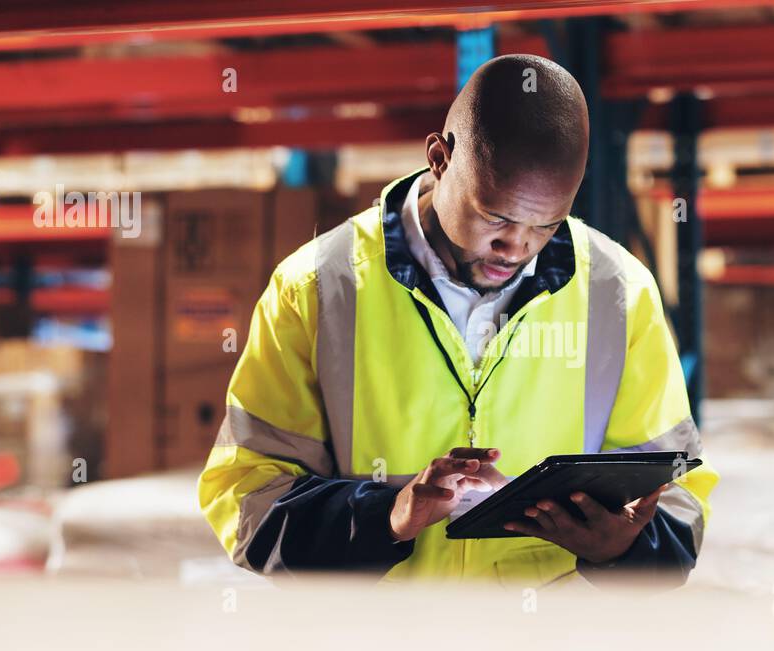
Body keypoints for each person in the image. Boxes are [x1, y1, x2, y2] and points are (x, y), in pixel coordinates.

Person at [199, 53, 717, 588]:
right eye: (495, 216)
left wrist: (628, 549)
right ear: (439, 158)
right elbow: (245, 496)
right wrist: (386, 517)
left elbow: (676, 496)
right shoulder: (316, 287)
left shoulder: (619, 293)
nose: (516, 246)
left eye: (546, 224)